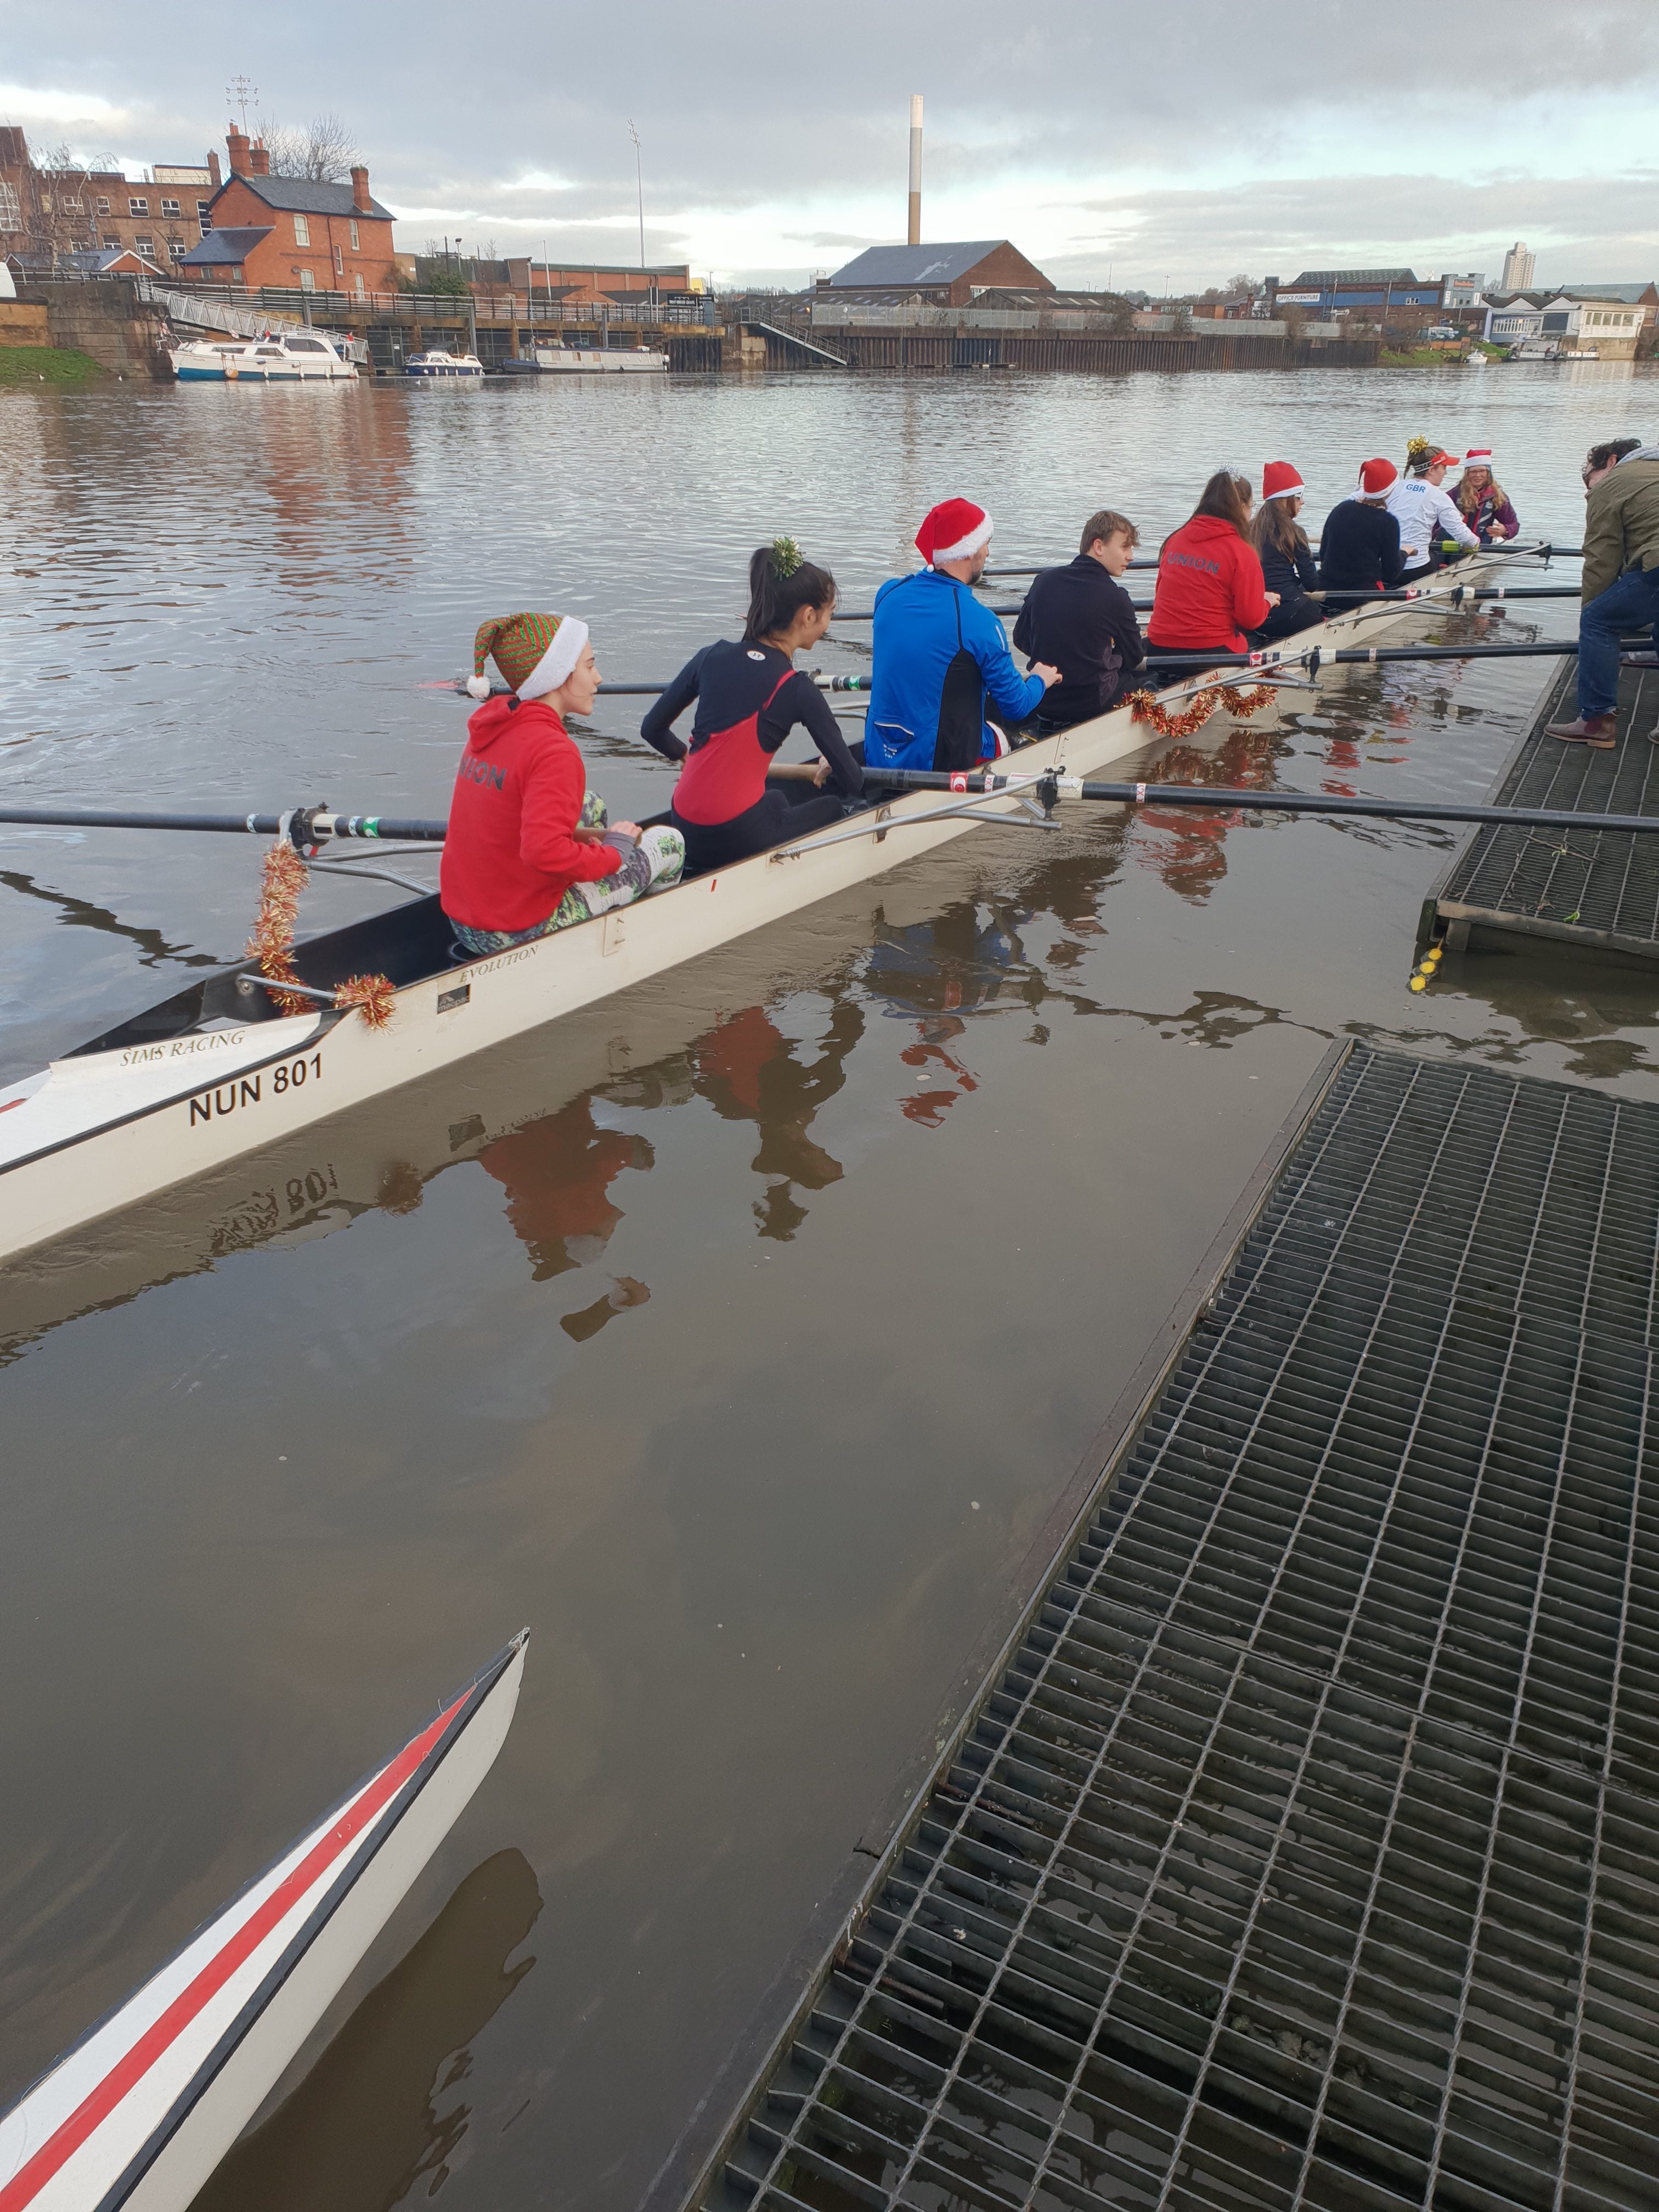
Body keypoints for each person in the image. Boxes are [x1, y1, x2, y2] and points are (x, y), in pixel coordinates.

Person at [441, 612, 684, 955]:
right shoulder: (555, 751)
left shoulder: (493, 727)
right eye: (589, 666)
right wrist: (613, 855)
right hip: (519, 930)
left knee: (592, 804)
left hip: (464, 920)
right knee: (670, 842)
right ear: (559, 676)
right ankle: (650, 945)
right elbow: (543, 851)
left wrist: (595, 848)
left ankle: (594, 901)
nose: (598, 678)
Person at [639, 539, 864, 873]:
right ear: (808, 616)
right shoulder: (797, 687)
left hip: (684, 821)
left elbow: (652, 729)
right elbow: (853, 781)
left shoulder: (710, 655)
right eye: (829, 615)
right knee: (832, 805)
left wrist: (685, 755)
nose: (827, 625)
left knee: (775, 799)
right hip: (734, 835)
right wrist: (832, 762)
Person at [864, 498, 1059, 772]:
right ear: (968, 551)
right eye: (985, 543)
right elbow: (1017, 706)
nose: (988, 553)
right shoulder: (979, 620)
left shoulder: (888, 593)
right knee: (1003, 731)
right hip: (936, 766)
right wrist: (1041, 679)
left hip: (878, 752)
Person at [1546, 437, 1659, 748]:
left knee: (1598, 621)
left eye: (1588, 479)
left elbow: (1601, 560)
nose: (1588, 490)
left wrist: (1593, 608)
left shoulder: (1613, 483)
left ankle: (1596, 722)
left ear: (1610, 462)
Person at [1012, 507, 1146, 732]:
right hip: (1091, 704)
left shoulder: (1044, 581)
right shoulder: (1116, 597)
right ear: (1099, 547)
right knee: (1146, 681)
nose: (1130, 557)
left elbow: (1021, 639)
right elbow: (1134, 657)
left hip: (1045, 699)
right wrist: (1109, 657)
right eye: (1125, 547)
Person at [1147, 470, 1277, 661]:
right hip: (1209, 650)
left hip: (1158, 645)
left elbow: (1160, 593)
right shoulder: (1242, 551)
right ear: (1242, 507)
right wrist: (1266, 602)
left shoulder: (1175, 539)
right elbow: (1250, 619)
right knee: (1245, 639)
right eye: (1252, 506)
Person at [1246, 462, 1325, 640]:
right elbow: (1312, 583)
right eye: (1299, 496)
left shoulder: (1249, 529)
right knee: (1315, 609)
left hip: (1257, 614)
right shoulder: (1295, 533)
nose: (1303, 501)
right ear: (1284, 499)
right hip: (1289, 611)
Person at [1319, 458, 1409, 609]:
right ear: (1391, 489)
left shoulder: (1340, 509)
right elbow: (1392, 573)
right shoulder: (1388, 522)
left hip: (1325, 589)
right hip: (1362, 595)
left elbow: (1323, 555)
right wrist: (1405, 553)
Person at [1387, 437, 1480, 575]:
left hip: (1385, 564)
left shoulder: (1395, 488)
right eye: (1444, 468)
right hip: (1413, 568)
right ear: (1431, 470)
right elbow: (1460, 532)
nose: (1446, 473)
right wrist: (1475, 542)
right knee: (1434, 557)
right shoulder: (1438, 496)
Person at [1455, 447, 1519, 544]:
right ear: (1467, 474)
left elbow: (1513, 524)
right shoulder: (1454, 494)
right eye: (1473, 472)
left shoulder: (1498, 497)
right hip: (1454, 544)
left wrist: (1505, 530)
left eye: (1482, 471)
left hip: (1483, 545)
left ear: (1488, 473)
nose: (1478, 475)